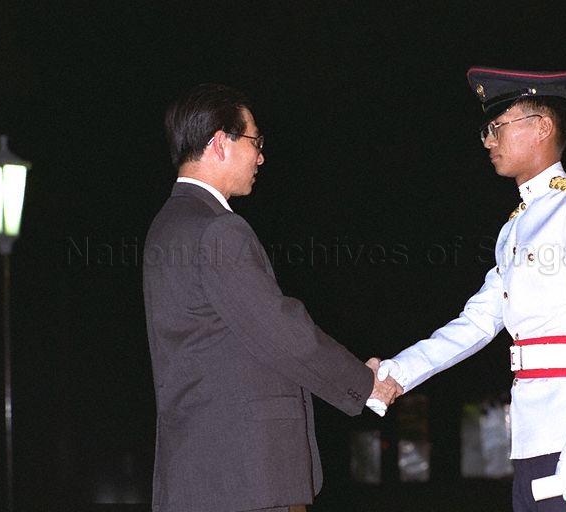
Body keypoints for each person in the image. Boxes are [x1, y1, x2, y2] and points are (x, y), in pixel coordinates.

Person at [377, 68, 566, 511]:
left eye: (497, 127)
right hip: (534, 435)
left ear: (542, 127)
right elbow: (478, 321)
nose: (487, 140)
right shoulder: (516, 227)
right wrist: (396, 374)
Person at [142, 83, 401, 512]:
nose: (260, 156)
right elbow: (282, 332)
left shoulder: (167, 225)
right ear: (220, 143)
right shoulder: (218, 230)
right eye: (254, 141)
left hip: (198, 475)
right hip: (246, 478)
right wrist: (364, 383)